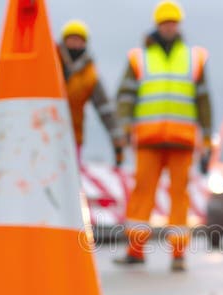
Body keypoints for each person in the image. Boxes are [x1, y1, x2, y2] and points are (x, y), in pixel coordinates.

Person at [113, 0, 212, 272]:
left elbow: (203, 101)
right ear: (157, 25)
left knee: (180, 195)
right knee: (142, 191)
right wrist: (123, 127)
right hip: (148, 138)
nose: (169, 27)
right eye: (165, 23)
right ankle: (135, 250)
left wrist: (205, 139)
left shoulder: (193, 58)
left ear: (178, 25)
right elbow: (125, 96)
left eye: (173, 23)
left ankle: (178, 253)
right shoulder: (139, 58)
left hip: (181, 139)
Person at [57, 20, 124, 167]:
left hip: (73, 137)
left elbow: (105, 109)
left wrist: (117, 139)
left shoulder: (90, 75)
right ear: (64, 41)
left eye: (79, 40)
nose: (75, 44)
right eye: (72, 39)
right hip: (42, 134)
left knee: (70, 181)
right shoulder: (49, 62)